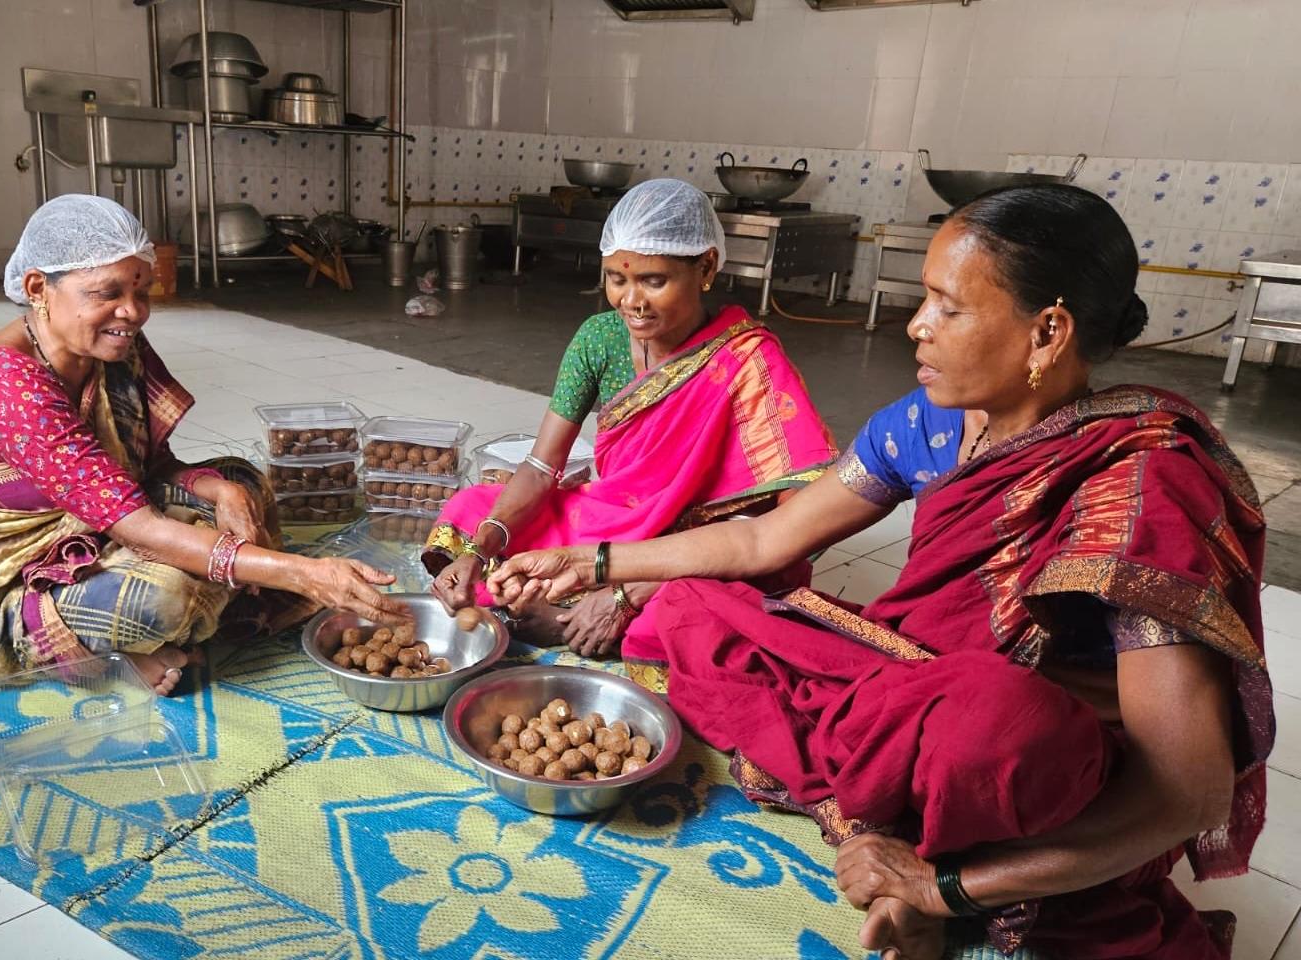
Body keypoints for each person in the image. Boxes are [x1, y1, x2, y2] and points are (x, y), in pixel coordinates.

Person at [487, 184, 1270, 959]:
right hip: (919, 683)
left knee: (996, 724)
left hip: (1040, 762)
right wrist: (592, 562)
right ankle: (891, 813)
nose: (915, 326)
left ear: (1048, 331)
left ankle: (948, 863)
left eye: (946, 307)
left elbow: (1186, 793)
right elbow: (767, 541)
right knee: (698, 604)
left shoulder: (1139, 483)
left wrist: (942, 888)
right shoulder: (929, 423)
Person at [0, 195, 406, 693]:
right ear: (39, 287)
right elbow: (139, 526)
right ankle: (97, 650)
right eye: (106, 293)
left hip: (88, 525)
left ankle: (204, 606)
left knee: (239, 481)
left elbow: (150, 467)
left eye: (141, 291)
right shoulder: (2, 379)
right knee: (165, 596)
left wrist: (219, 492)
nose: (131, 312)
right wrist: (303, 573)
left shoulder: (112, 348)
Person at [424, 178, 837, 658]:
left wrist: (629, 589)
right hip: (617, 520)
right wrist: (482, 550)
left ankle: (581, 614)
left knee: (705, 610)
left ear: (706, 267)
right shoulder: (599, 339)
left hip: (703, 545)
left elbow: (798, 515)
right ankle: (567, 610)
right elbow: (540, 469)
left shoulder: (748, 361)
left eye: (653, 280)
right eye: (617, 279)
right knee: (473, 509)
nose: (631, 302)